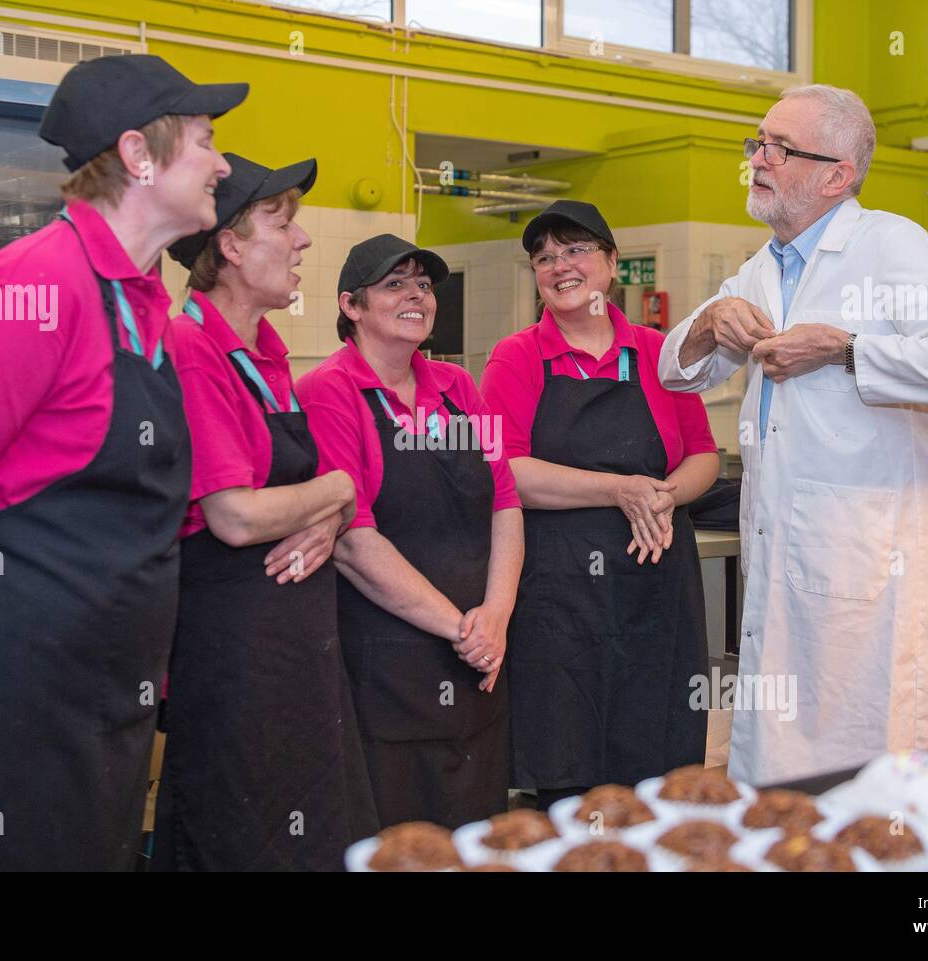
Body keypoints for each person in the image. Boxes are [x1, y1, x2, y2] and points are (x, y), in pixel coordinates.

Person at [0, 55, 245, 870]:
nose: (223, 164)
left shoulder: (141, 305)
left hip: (94, 700)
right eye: (208, 142)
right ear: (140, 154)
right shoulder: (35, 285)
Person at [659, 84, 928, 785]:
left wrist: (845, 348)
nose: (757, 158)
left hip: (870, 578)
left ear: (836, 175)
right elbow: (676, 372)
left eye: (778, 147)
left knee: (873, 792)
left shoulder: (889, 245)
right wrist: (706, 324)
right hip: (783, 571)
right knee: (783, 797)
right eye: (756, 143)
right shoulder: (761, 268)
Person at [152, 153, 377, 870]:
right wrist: (339, 489)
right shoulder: (193, 347)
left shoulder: (269, 351)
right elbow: (237, 516)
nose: (304, 240)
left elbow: (292, 502)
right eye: (284, 222)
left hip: (298, 655)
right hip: (232, 658)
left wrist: (327, 516)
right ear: (230, 246)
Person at [481, 200, 720, 808]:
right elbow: (504, 468)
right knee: (569, 765)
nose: (560, 266)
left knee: (659, 759)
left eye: (575, 250)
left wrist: (662, 496)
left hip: (657, 583)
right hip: (559, 593)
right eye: (544, 258)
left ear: (612, 263)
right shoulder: (516, 356)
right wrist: (620, 489)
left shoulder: (658, 352)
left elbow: (702, 455)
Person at [296, 235, 524, 829]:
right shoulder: (328, 392)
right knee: (396, 836)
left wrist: (495, 616)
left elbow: (504, 503)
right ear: (352, 306)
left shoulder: (460, 390)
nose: (416, 296)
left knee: (475, 829)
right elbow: (351, 539)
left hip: (481, 662)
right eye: (394, 285)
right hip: (386, 666)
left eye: (422, 285)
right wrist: (460, 628)